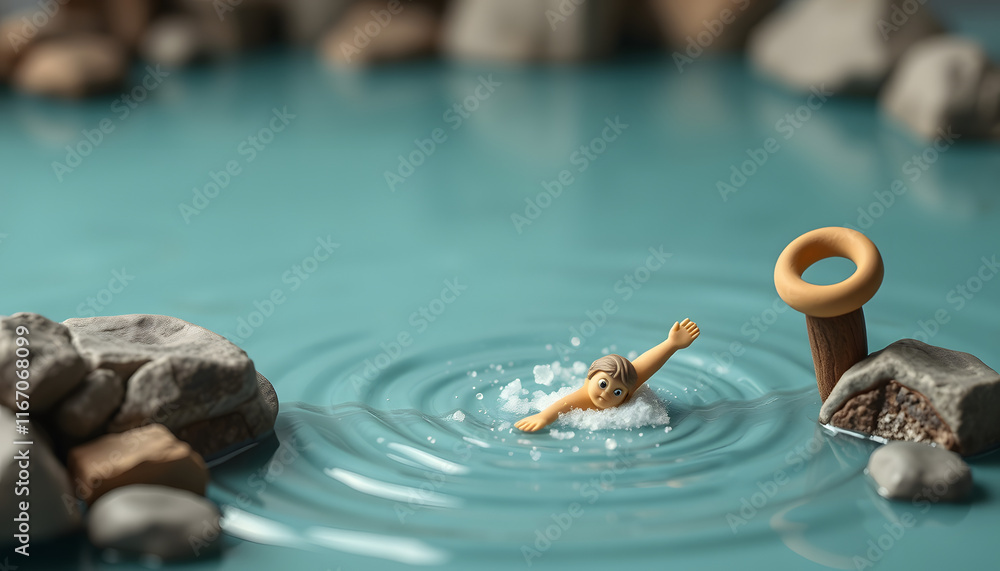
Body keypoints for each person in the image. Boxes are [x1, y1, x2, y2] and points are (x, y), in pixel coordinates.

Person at [514, 318, 700, 432]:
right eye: (603, 384)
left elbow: (647, 364)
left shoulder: (629, 382)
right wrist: (544, 417)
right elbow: (564, 404)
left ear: (627, 393)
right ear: (590, 378)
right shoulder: (585, 397)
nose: (606, 393)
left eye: (617, 392)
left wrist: (672, 344)